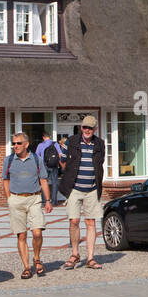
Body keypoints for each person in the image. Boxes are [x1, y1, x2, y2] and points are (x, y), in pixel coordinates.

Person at [4, 132, 52, 278]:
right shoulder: (9, 160)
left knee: (37, 232)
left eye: (18, 143)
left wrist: (48, 200)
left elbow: (43, 180)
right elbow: (5, 180)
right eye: (13, 143)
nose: (15, 146)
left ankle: (36, 258)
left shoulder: (37, 159)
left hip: (34, 199)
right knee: (22, 235)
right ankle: (26, 267)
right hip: (16, 200)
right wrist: (9, 199)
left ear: (26, 144)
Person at [59, 115, 105, 269]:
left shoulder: (100, 144)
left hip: (92, 189)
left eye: (90, 128)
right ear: (81, 127)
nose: (87, 130)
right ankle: (75, 254)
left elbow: (100, 164)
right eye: (85, 127)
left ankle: (90, 258)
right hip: (74, 188)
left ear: (95, 129)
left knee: (91, 222)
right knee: (74, 221)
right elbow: (63, 161)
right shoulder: (70, 142)